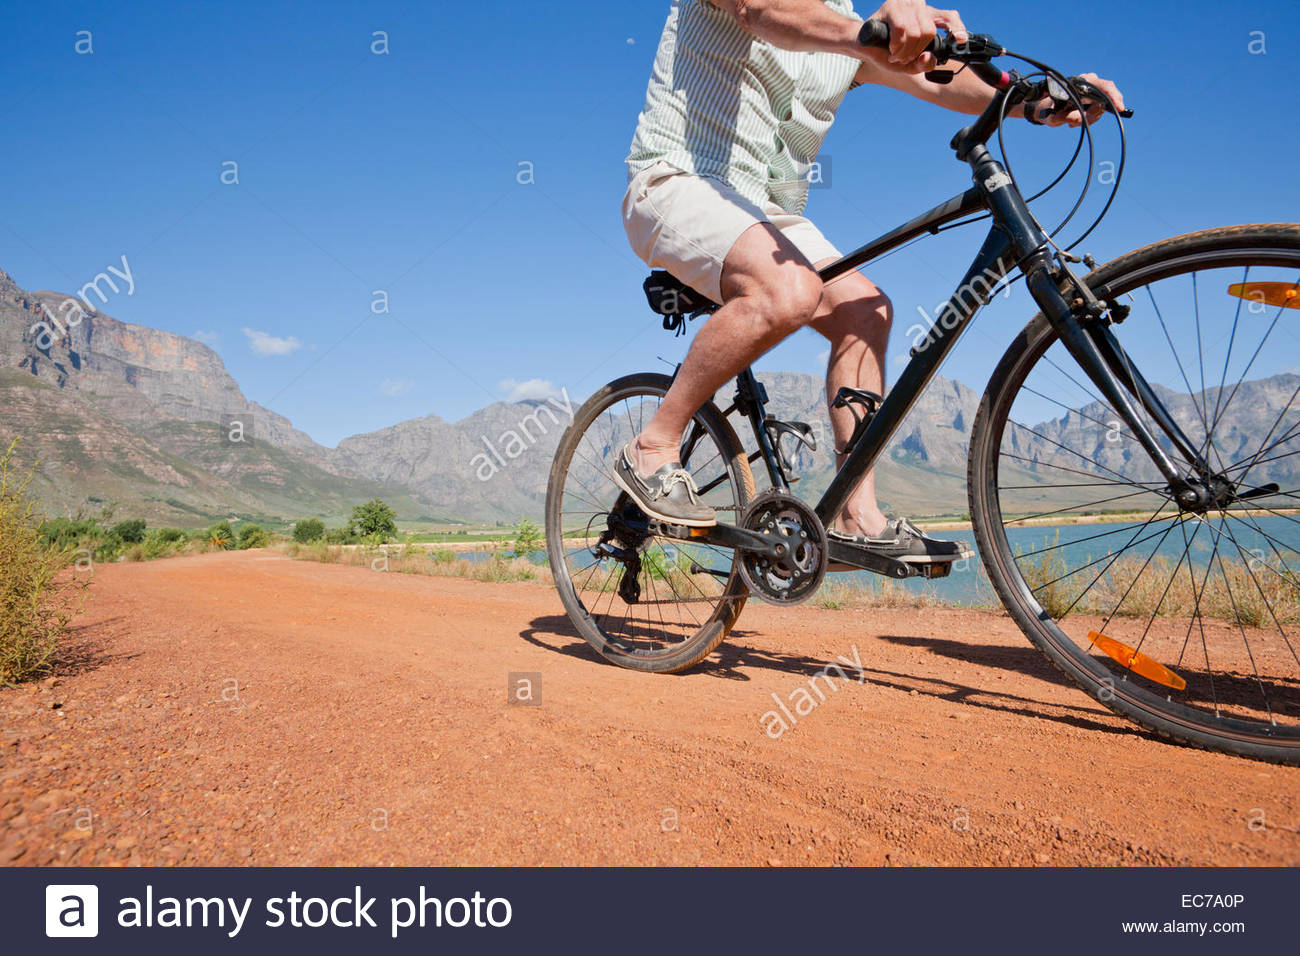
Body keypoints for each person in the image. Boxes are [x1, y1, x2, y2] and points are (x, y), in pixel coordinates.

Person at [612, 0, 1125, 563]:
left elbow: (941, 82)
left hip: (769, 214)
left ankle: (858, 515)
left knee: (866, 309)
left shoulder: (839, 21)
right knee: (789, 290)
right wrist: (869, 35)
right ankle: (652, 445)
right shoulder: (825, 21)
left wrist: (1042, 101)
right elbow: (759, 10)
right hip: (679, 182)